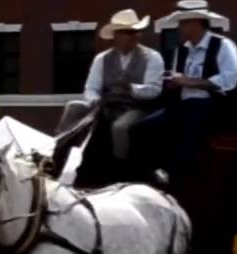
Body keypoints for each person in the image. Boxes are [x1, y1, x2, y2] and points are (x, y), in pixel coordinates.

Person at [58, 10, 164, 163]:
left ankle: (120, 166)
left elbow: (154, 90)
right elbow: (91, 88)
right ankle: (58, 155)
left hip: (136, 107)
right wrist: (95, 100)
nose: (132, 37)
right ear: (115, 36)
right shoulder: (102, 59)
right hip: (107, 106)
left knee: (120, 127)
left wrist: (131, 88)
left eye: (134, 32)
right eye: (126, 33)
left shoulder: (152, 57)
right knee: (73, 107)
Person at [165, 0, 237, 182]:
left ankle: (176, 178)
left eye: (183, 23)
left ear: (195, 23)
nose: (180, 28)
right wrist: (173, 82)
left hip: (212, 105)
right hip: (182, 103)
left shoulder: (223, 45)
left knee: (189, 128)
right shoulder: (182, 49)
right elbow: (179, 78)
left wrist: (189, 82)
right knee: (144, 127)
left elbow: (229, 80)